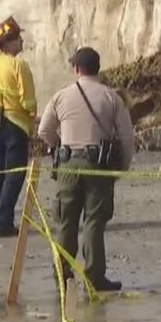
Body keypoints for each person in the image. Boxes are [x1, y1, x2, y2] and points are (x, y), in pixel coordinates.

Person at [38, 47, 135, 292]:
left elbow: (44, 131)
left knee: (65, 221)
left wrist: (59, 147)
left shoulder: (61, 96)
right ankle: (94, 278)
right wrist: (121, 166)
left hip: (68, 164)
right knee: (94, 221)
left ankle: (62, 274)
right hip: (98, 166)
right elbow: (126, 137)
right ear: (97, 69)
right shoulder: (112, 97)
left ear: (77, 69)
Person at [0, 16, 36, 237]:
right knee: (15, 174)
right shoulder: (19, 65)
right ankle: (4, 222)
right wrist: (31, 120)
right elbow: (28, 100)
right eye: (18, 38)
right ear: (8, 43)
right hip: (16, 125)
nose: (21, 42)